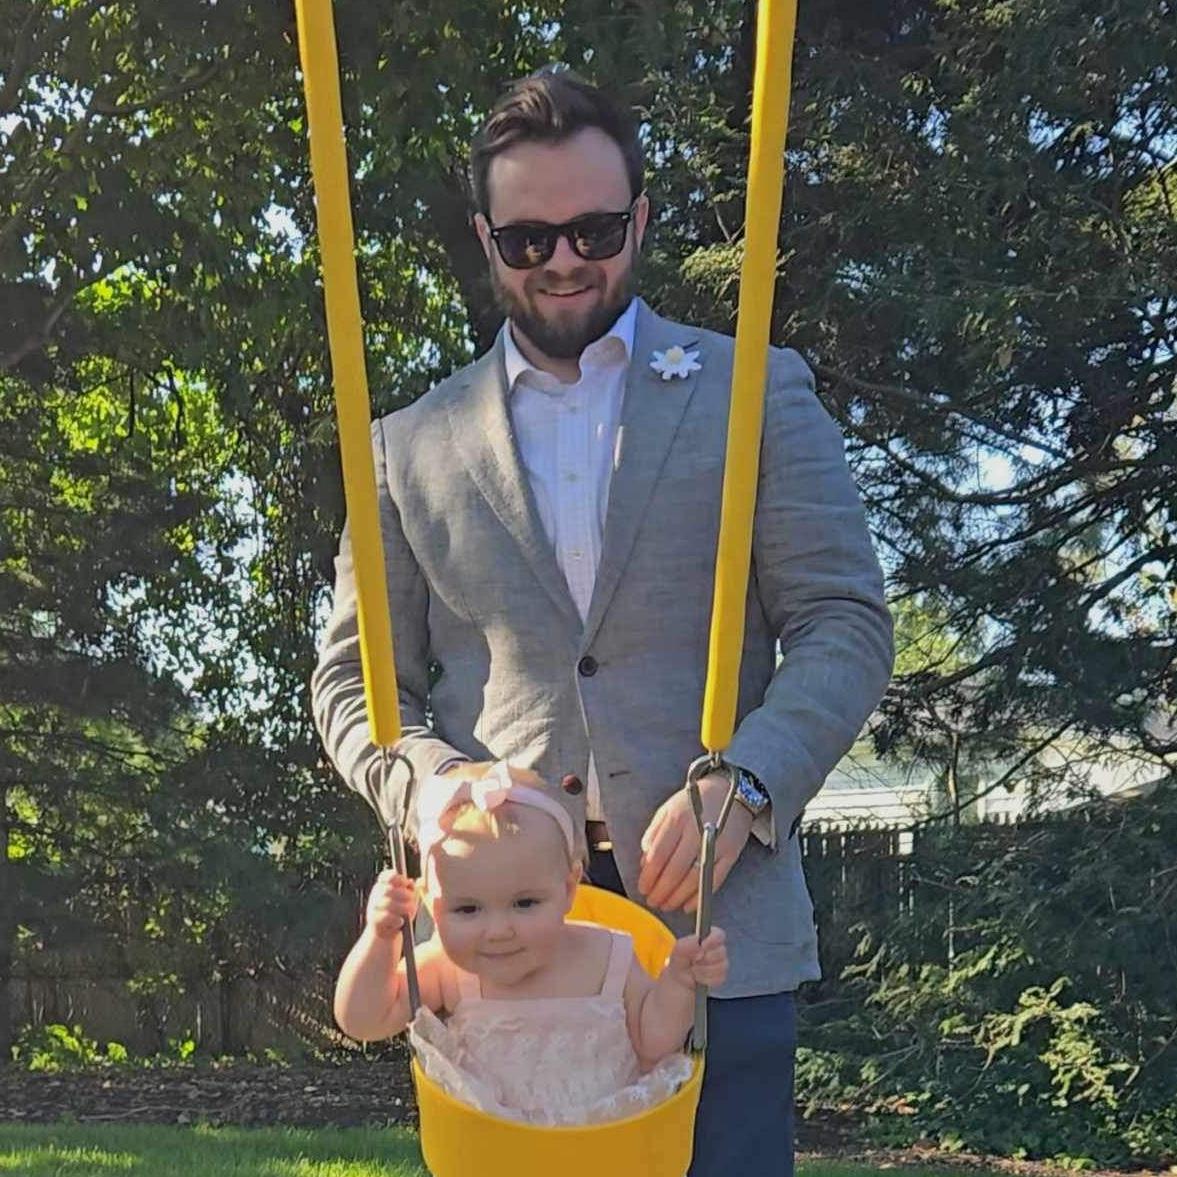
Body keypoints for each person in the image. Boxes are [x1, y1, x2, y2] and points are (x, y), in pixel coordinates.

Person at [312, 67, 893, 1174]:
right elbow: (354, 681)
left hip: (715, 919)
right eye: (529, 238)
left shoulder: (753, 393)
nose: (564, 259)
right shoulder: (404, 447)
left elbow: (843, 623)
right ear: (486, 240)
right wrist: (434, 788)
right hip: (499, 959)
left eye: (593, 230)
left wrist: (747, 783)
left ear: (640, 217)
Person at [334, 760, 727, 1126]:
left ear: (569, 889)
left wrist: (679, 981)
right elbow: (363, 1020)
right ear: (429, 903)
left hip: (603, 1151)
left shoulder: (609, 956)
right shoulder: (445, 968)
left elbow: (653, 1044)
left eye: (524, 903)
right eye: (468, 909)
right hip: (492, 1153)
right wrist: (381, 937)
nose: (498, 930)